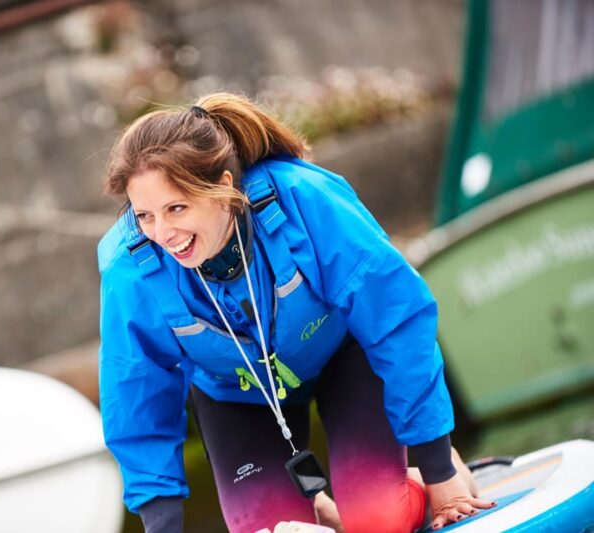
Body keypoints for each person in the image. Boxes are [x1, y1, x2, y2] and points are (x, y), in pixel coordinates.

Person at [97, 93, 495, 533]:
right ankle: (318, 506)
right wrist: (160, 522)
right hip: (236, 393)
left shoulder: (302, 198)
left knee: (380, 521)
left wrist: (438, 469)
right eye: (145, 216)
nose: (163, 233)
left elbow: (396, 319)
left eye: (177, 208)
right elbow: (134, 390)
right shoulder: (129, 268)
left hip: (344, 359)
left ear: (225, 186)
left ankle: (419, 478)